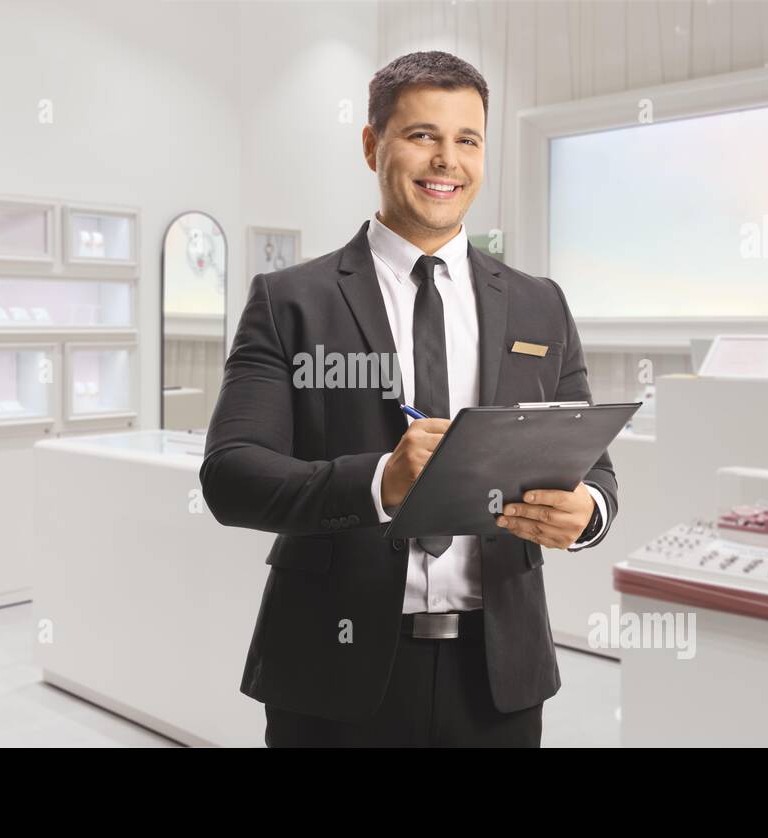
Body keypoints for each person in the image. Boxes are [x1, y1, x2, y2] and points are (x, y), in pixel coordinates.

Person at [200, 50, 617, 747]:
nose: (445, 161)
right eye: (423, 135)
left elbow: (592, 465)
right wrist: (379, 481)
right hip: (332, 674)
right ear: (373, 144)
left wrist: (590, 513)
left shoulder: (540, 305)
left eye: (468, 140)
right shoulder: (290, 302)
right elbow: (231, 475)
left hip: (500, 678)